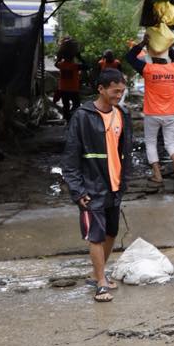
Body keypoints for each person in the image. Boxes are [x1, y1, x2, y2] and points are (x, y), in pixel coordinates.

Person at [60, 69, 132, 301]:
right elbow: (71, 157)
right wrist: (77, 189)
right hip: (91, 186)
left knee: (111, 231)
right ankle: (100, 282)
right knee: (96, 235)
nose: (118, 95)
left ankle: (97, 273)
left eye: (121, 91)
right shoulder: (82, 116)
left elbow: (124, 151)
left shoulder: (121, 114)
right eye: (114, 91)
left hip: (114, 184)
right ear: (101, 89)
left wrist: (124, 181)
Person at [125, 34, 174, 190]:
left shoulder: (148, 69)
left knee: (151, 143)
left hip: (152, 113)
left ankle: (157, 176)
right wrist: (167, 45)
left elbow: (130, 57)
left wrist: (144, 42)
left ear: (152, 59)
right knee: (171, 143)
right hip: (170, 113)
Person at [54, 55, 81, 123]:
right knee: (76, 105)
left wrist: (59, 58)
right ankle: (72, 118)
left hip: (64, 89)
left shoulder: (61, 65)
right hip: (73, 89)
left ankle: (68, 120)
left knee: (66, 105)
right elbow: (87, 66)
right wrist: (79, 57)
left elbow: (56, 64)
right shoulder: (75, 65)